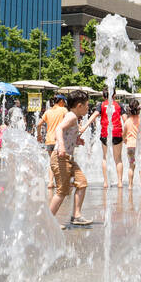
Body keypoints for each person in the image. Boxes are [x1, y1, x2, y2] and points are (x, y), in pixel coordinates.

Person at [49, 93, 95, 226]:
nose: (88, 107)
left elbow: (66, 133)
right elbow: (59, 129)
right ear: (79, 106)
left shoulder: (73, 117)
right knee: (62, 191)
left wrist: (76, 140)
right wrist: (62, 146)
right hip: (60, 158)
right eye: (87, 105)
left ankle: (76, 216)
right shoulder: (71, 116)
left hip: (68, 158)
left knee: (82, 182)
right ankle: (49, 221)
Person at [40, 93, 68, 190]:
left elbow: (39, 124)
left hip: (49, 140)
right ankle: (61, 182)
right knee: (62, 162)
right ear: (60, 101)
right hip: (59, 140)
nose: (64, 104)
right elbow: (70, 121)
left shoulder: (48, 112)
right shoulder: (63, 110)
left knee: (52, 162)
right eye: (64, 102)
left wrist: (39, 135)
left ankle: (51, 182)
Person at [99, 96, 125, 188]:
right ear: (114, 95)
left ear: (103, 96)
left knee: (105, 157)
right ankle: (120, 182)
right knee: (118, 158)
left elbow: (94, 116)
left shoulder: (101, 105)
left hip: (105, 133)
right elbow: (125, 119)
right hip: (117, 133)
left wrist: (84, 127)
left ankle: (105, 182)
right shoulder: (119, 105)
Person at [122, 99, 141, 189]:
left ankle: (130, 185)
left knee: (131, 166)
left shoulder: (127, 121)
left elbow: (123, 134)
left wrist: (125, 140)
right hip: (139, 145)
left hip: (130, 146)